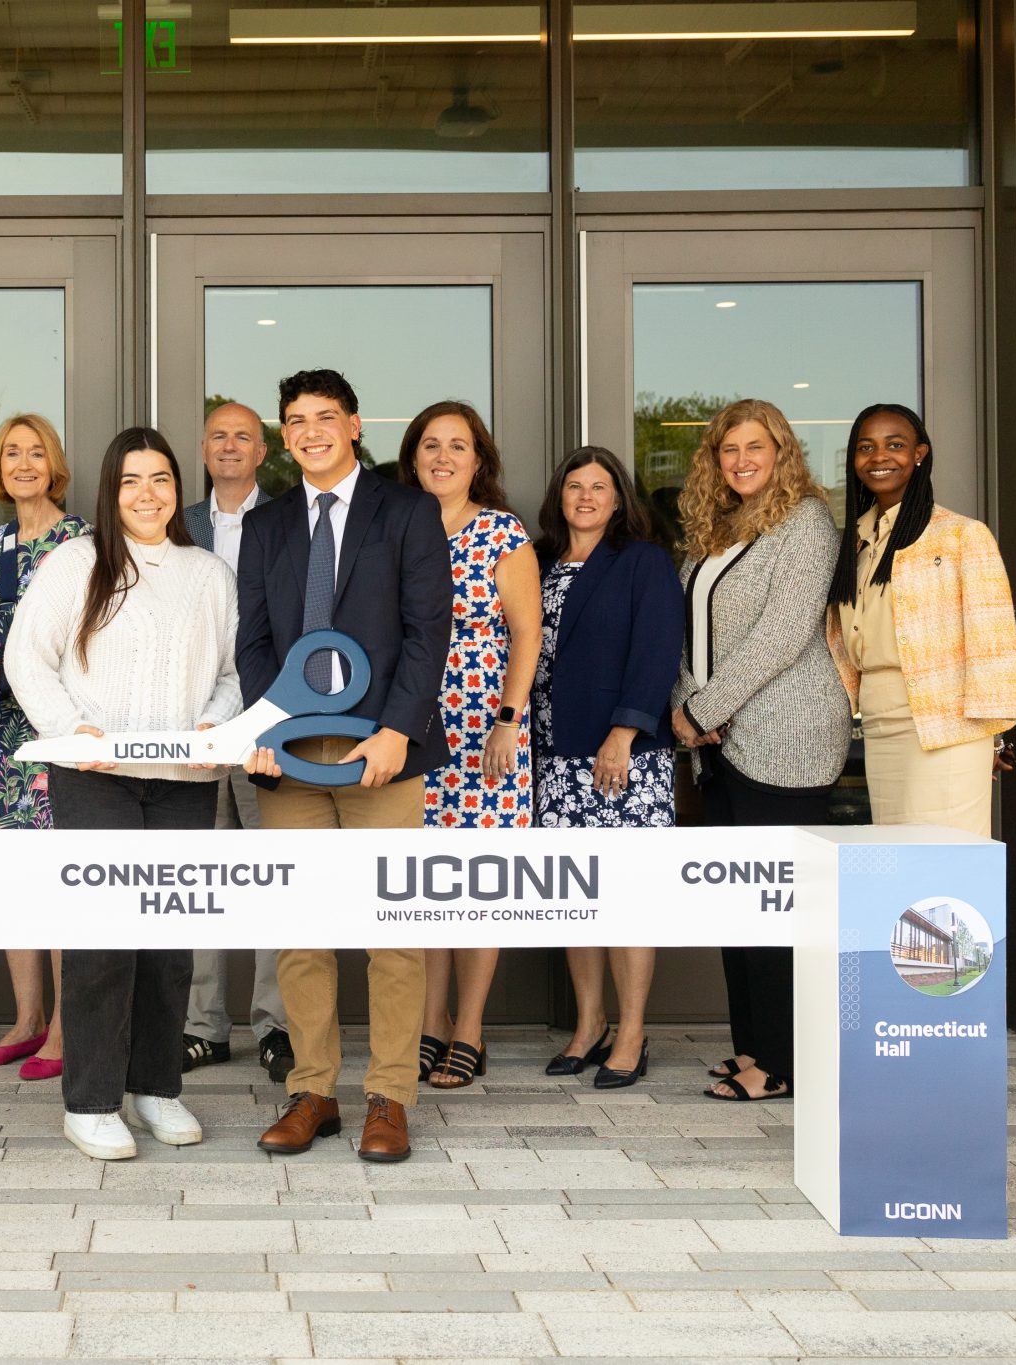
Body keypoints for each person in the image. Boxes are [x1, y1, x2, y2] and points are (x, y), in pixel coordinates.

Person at [4, 427, 241, 1160]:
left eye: (161, 479)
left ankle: (156, 1087)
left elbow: (231, 673)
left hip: (183, 780)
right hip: (94, 778)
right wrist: (71, 729)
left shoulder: (208, 574)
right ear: (110, 491)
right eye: (131, 480)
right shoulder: (77, 562)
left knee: (170, 942)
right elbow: (25, 657)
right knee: (103, 938)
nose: (147, 493)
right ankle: (93, 1099)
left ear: (178, 487)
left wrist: (216, 722)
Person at [238, 369, 451, 1164]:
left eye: (325, 417)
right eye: (296, 419)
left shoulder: (406, 511)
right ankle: (313, 1089)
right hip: (290, 757)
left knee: (391, 929)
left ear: (354, 425)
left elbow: (430, 630)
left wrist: (399, 729)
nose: (311, 431)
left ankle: (390, 1094)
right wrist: (264, 728)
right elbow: (252, 643)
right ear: (285, 434)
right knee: (300, 929)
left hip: (379, 754)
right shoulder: (268, 527)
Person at [669, 398, 851, 1105]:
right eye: (728, 450)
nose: (741, 460)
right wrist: (690, 709)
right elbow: (692, 633)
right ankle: (753, 1045)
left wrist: (700, 710)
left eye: (755, 447)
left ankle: (784, 1059)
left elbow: (782, 634)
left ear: (782, 452)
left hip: (787, 735)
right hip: (719, 741)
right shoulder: (718, 528)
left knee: (780, 908)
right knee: (738, 905)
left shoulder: (806, 521)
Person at [397, 401, 540, 1090]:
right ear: (413, 454)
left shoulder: (500, 532)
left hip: (487, 727)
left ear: (479, 459)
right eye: (431, 443)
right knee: (427, 885)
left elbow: (528, 633)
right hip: (415, 728)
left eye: (458, 445)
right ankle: (428, 1022)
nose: (443, 455)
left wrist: (508, 720)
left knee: (478, 885)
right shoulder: (395, 524)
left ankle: (469, 1028)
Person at [530, 447, 683, 1089]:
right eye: (574, 485)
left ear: (620, 499)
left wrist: (624, 731)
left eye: (600, 486)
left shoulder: (641, 561)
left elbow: (657, 648)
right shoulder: (536, 561)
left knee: (627, 898)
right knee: (574, 898)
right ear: (558, 496)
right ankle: (589, 1024)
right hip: (551, 754)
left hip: (620, 756)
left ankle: (633, 1031)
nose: (586, 497)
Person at [825, 403, 1016, 838]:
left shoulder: (960, 535)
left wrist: (993, 733)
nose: (879, 457)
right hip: (878, 718)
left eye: (895, 445)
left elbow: (993, 641)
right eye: (866, 447)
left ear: (920, 454)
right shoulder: (856, 539)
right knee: (898, 854)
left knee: (945, 853)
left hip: (945, 721)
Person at [0, 414, 86, 1082]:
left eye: (36, 452)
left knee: (58, 877)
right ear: (0, 467)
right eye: (13, 453)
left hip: (52, 725)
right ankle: (26, 1018)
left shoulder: (81, 541)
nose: (25, 463)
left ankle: (65, 1026)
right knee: (12, 877)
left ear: (54, 463)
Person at [180, 400, 292, 1082]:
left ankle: (277, 1026)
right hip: (195, 726)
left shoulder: (287, 521)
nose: (229, 445)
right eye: (218, 435)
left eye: (242, 437)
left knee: (274, 878)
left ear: (262, 451)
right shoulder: (177, 523)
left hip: (268, 727)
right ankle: (203, 1026)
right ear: (203, 448)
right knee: (201, 878)